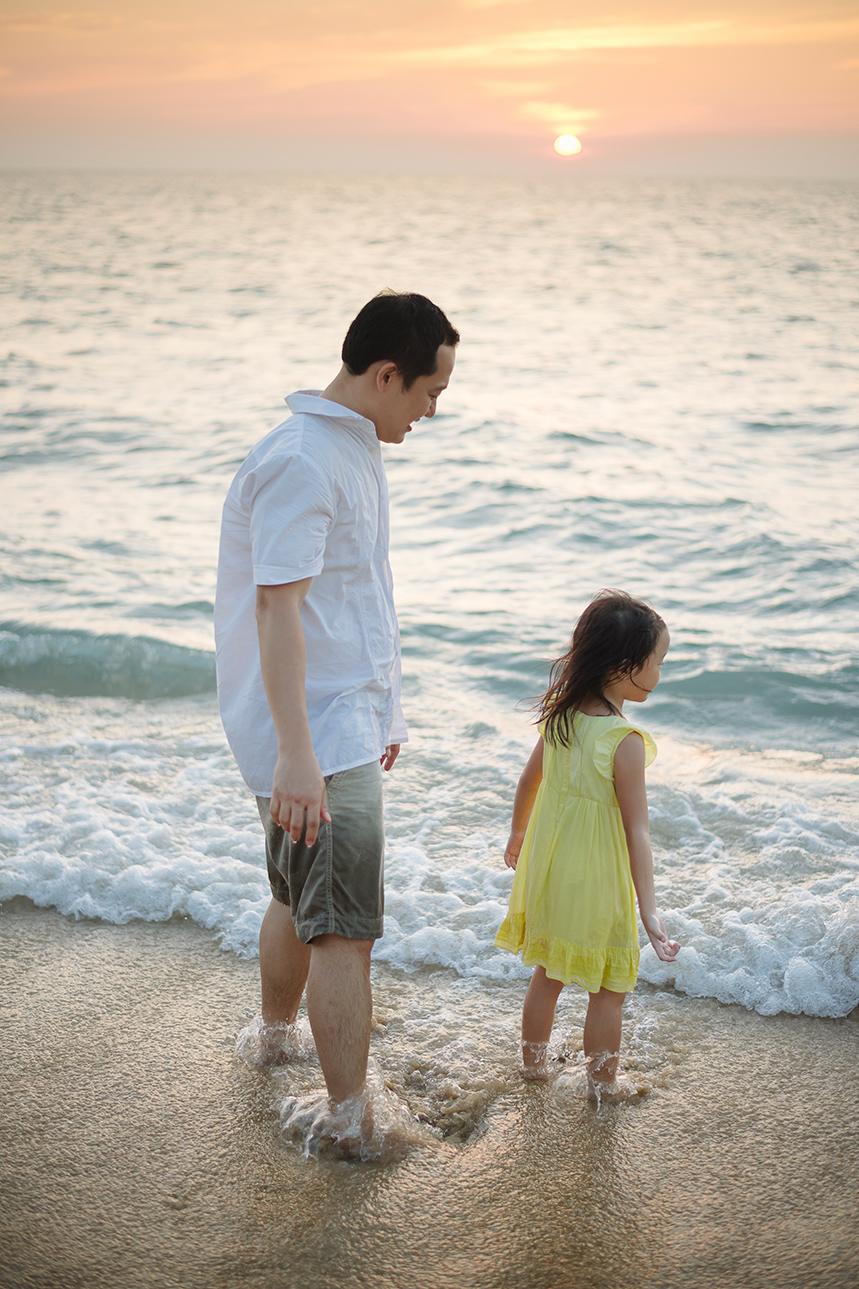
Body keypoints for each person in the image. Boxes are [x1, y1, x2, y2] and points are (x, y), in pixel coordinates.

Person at [215, 291, 459, 1108]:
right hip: (313, 732)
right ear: (386, 375)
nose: (430, 410)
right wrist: (299, 753)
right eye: (429, 392)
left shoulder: (345, 446)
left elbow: (353, 596)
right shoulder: (304, 459)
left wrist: (383, 711)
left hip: (330, 722)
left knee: (297, 897)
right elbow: (275, 609)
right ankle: (350, 1118)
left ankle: (274, 1039)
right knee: (344, 930)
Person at [494, 589, 680, 1101]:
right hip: (598, 880)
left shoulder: (560, 718)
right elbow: (637, 832)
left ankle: (533, 1069)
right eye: (658, 661)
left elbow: (528, 782)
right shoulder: (623, 741)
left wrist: (517, 834)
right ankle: (602, 1086)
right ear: (624, 667)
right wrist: (649, 911)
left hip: (551, 871)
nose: (660, 672)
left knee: (547, 974)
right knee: (609, 988)